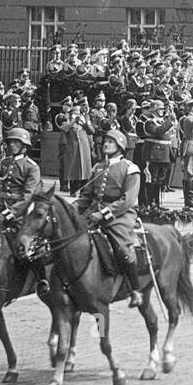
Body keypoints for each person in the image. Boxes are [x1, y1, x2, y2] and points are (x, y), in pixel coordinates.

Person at [76, 128, 147, 308]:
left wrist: (103, 214)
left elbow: (128, 199)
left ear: (120, 146)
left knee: (121, 246)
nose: (105, 144)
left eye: (110, 142)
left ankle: (135, 290)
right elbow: (87, 196)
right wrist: (72, 210)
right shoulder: (98, 167)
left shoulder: (130, 168)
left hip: (121, 214)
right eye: (105, 141)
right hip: (94, 210)